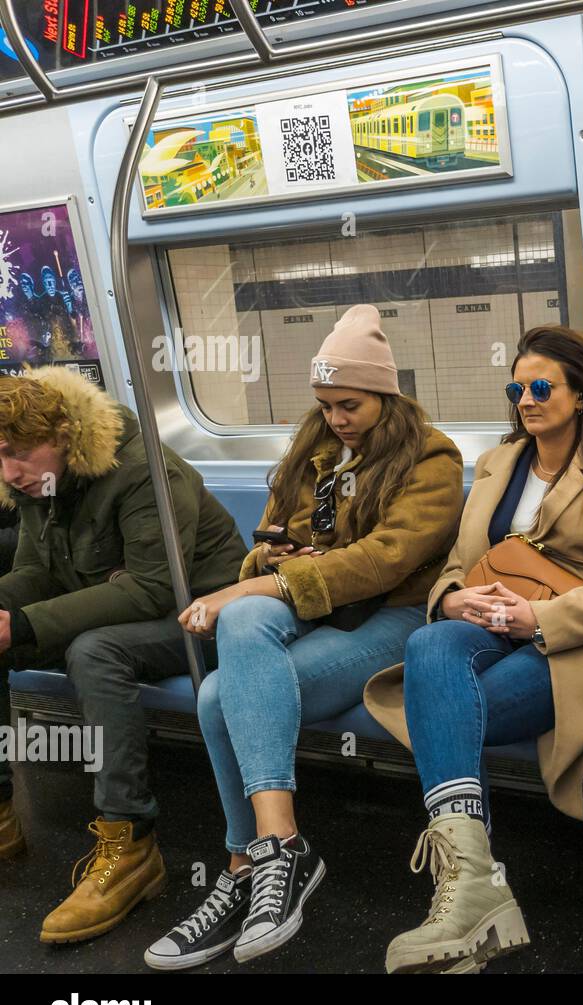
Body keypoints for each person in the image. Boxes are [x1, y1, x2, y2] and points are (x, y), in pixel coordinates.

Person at [144, 305, 463, 969]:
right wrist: (273, 560)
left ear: (384, 393)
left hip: (393, 617)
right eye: (324, 404)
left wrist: (257, 585)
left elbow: (387, 558)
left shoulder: (432, 457)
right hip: (320, 605)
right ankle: (275, 849)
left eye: (349, 404)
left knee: (214, 697)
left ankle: (247, 862)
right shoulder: (311, 452)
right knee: (241, 618)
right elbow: (269, 538)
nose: (336, 418)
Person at [364, 324, 583, 974]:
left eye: (541, 386)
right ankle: (475, 882)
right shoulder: (500, 463)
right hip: (487, 620)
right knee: (430, 644)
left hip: (572, 642)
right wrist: (449, 599)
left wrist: (541, 615)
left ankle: (471, 890)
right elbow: (456, 562)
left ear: (579, 394)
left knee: (447, 707)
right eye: (517, 387)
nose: (526, 399)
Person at [0, 365, 246, 942]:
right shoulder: (42, 482)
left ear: (61, 435)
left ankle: (129, 841)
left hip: (205, 617)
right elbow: (36, 570)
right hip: (122, 612)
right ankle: (3, 814)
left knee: (93, 651)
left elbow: (153, 587)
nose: (10, 473)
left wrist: (26, 624)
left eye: (18, 453)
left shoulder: (142, 471)